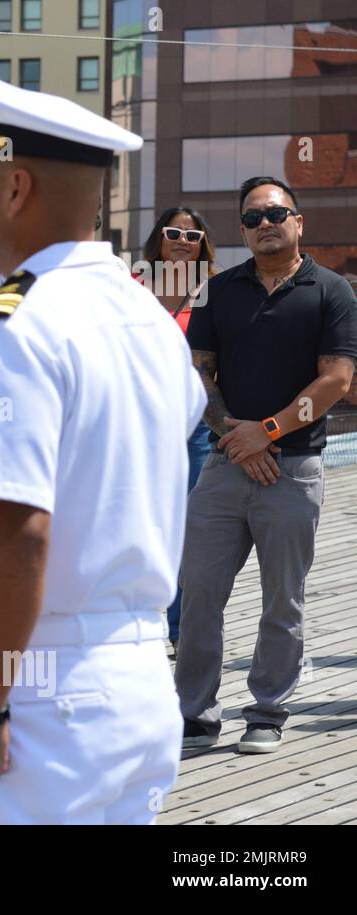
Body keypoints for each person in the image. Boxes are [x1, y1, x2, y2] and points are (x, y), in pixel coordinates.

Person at [0, 74, 205, 824]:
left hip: (40, 693)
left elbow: (14, 533)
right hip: (142, 677)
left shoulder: (14, 325)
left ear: (16, 186)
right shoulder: (148, 319)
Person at [177, 176, 357, 754]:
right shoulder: (215, 291)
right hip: (226, 467)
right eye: (253, 218)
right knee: (199, 590)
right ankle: (195, 713)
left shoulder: (331, 291)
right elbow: (198, 375)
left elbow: (336, 379)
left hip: (294, 468)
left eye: (276, 213)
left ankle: (267, 710)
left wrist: (269, 432)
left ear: (298, 221)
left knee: (284, 599)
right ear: (242, 230)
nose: (265, 224)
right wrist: (236, 437)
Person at [136, 206, 218, 653]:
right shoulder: (133, 287)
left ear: (203, 242)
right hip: (139, 423)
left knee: (188, 524)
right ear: (159, 240)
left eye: (193, 235)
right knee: (140, 520)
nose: (183, 240)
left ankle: (176, 626)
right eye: (174, 233)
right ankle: (141, 619)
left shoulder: (215, 291)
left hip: (197, 427)